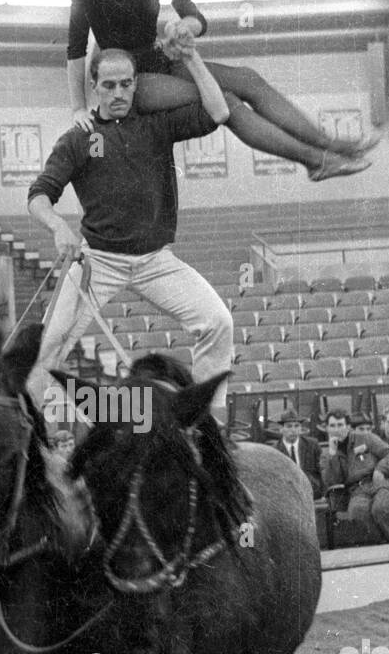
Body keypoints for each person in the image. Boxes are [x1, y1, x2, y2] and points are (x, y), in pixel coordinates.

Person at [66, 0, 378, 181]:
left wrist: (183, 27)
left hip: (160, 60)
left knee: (248, 78)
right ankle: (315, 161)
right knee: (223, 100)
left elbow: (197, 17)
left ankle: (328, 144)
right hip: (132, 80)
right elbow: (75, 49)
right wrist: (79, 106)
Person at [27, 41, 234, 424]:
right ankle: (27, 437)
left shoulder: (157, 125)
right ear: (94, 87)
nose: (118, 93)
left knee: (218, 322)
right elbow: (39, 194)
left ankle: (207, 423)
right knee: (48, 345)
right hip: (98, 262)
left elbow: (219, 111)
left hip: (156, 261)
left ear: (136, 84)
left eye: (125, 84)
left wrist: (191, 57)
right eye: (109, 85)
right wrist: (58, 227)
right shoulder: (80, 138)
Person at [319, 410, 389, 543]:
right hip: (357, 491)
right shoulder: (326, 455)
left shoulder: (365, 438)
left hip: (380, 483)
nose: (337, 430)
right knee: (358, 512)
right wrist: (333, 454)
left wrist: (380, 469)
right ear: (327, 429)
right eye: (333, 426)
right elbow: (332, 481)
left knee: (381, 509)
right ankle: (382, 548)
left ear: (348, 426)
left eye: (341, 425)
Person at [273, 406, 322, 497]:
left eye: (296, 426)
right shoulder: (275, 451)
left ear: (300, 428)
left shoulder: (312, 445)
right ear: (281, 429)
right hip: (287, 494)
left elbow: (321, 472)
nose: (293, 430)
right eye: (289, 426)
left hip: (311, 491)